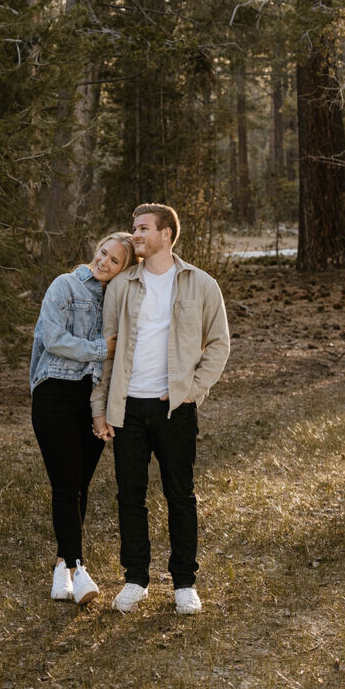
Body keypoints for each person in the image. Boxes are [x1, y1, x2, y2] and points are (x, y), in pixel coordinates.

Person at [91, 202, 230, 615]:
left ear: (166, 234)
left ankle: (185, 582)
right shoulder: (120, 287)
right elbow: (107, 353)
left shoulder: (201, 284)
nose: (136, 235)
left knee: (180, 495)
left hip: (175, 410)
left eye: (143, 228)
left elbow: (220, 343)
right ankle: (135, 578)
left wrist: (194, 390)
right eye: (134, 228)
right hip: (127, 408)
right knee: (129, 496)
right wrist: (100, 408)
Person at [30, 231, 136, 605]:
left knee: (79, 485)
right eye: (103, 253)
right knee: (65, 485)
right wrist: (98, 350)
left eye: (115, 261)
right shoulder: (65, 285)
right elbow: (52, 337)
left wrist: (102, 409)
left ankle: (63, 569)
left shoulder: (117, 301)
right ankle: (78, 567)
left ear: (125, 269)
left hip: (89, 399)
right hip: (55, 391)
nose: (103, 262)